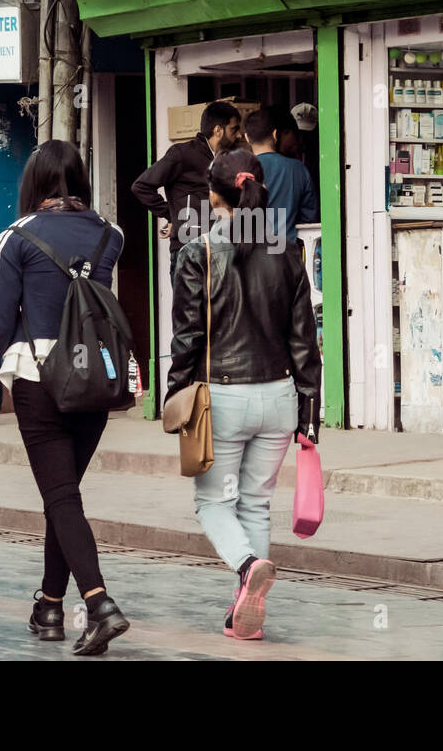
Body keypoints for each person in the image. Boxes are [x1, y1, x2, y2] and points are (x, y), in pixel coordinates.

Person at [0, 140, 130, 656]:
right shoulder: (112, 234)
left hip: (39, 377)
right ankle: (49, 605)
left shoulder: (16, 238)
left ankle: (100, 602)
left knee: (61, 496)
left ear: (34, 182)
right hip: (95, 380)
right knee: (62, 495)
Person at [168, 148, 321, 641]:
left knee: (212, 503)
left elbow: (188, 336)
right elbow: (304, 337)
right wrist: (309, 406)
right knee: (255, 503)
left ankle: (249, 562)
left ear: (213, 196)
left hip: (222, 397)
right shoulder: (286, 250)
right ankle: (245, 613)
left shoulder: (198, 251)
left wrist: (176, 393)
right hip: (279, 396)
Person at [131, 101, 242, 278]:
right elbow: (141, 186)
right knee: (188, 306)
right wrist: (171, 214)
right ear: (218, 131)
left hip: (222, 250)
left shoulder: (231, 158)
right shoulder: (182, 154)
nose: (239, 135)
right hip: (188, 251)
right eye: (234, 129)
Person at [243, 108, 319, 244]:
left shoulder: (238, 170)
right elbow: (309, 218)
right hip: (287, 253)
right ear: (275, 134)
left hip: (251, 255)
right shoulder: (299, 169)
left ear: (247, 138)